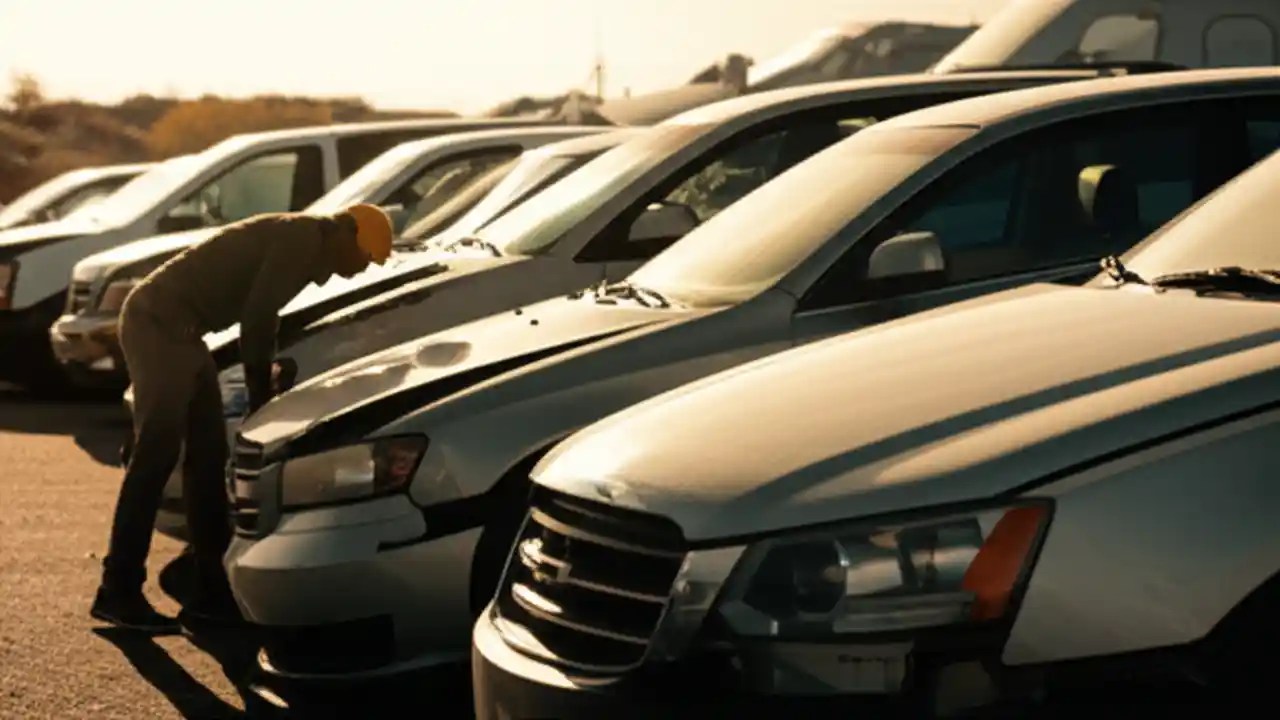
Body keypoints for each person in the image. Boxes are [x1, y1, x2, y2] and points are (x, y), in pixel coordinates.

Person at [89, 204, 393, 633]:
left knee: (208, 458)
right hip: (157, 322)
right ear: (346, 235)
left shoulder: (307, 242)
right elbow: (257, 318)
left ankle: (210, 593)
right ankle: (118, 590)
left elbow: (257, 316)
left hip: (183, 329)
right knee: (156, 455)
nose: (359, 271)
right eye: (362, 259)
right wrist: (260, 398)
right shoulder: (300, 240)